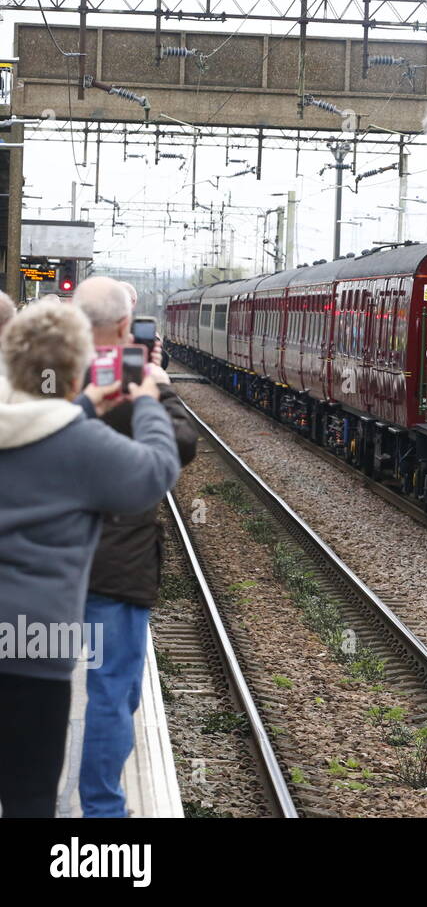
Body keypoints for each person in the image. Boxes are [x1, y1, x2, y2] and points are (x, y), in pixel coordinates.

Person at [0, 299, 179, 818]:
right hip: (36, 645)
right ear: (78, 366)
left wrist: (84, 408)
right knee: (30, 798)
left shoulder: (68, 429)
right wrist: (148, 400)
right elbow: (158, 468)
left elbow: (34, 425)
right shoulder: (83, 445)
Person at [72, 278, 199, 818]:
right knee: (109, 692)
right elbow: (180, 444)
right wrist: (156, 383)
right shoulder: (129, 374)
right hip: (115, 561)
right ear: (127, 327)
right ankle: (102, 813)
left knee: (38, 683)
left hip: (44, 559)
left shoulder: (42, 372)